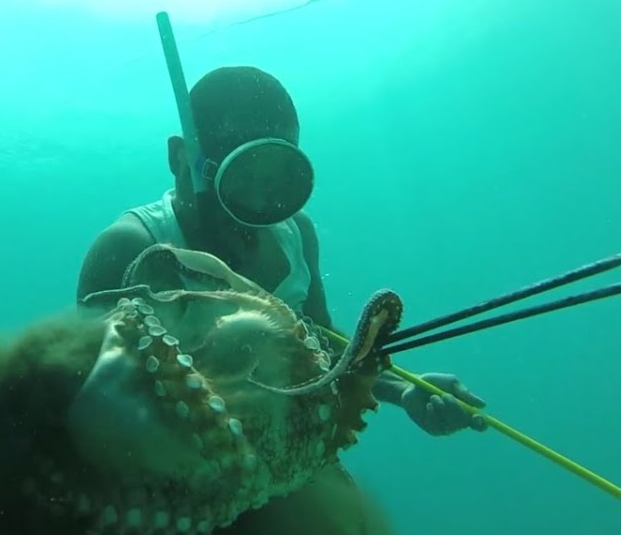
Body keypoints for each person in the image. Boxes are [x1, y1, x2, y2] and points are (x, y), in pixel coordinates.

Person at [75, 64, 488, 437]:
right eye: (240, 177)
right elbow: (90, 394)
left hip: (279, 450)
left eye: (276, 183)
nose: (257, 205)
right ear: (180, 156)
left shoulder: (295, 231)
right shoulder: (128, 247)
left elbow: (320, 338)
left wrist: (404, 391)